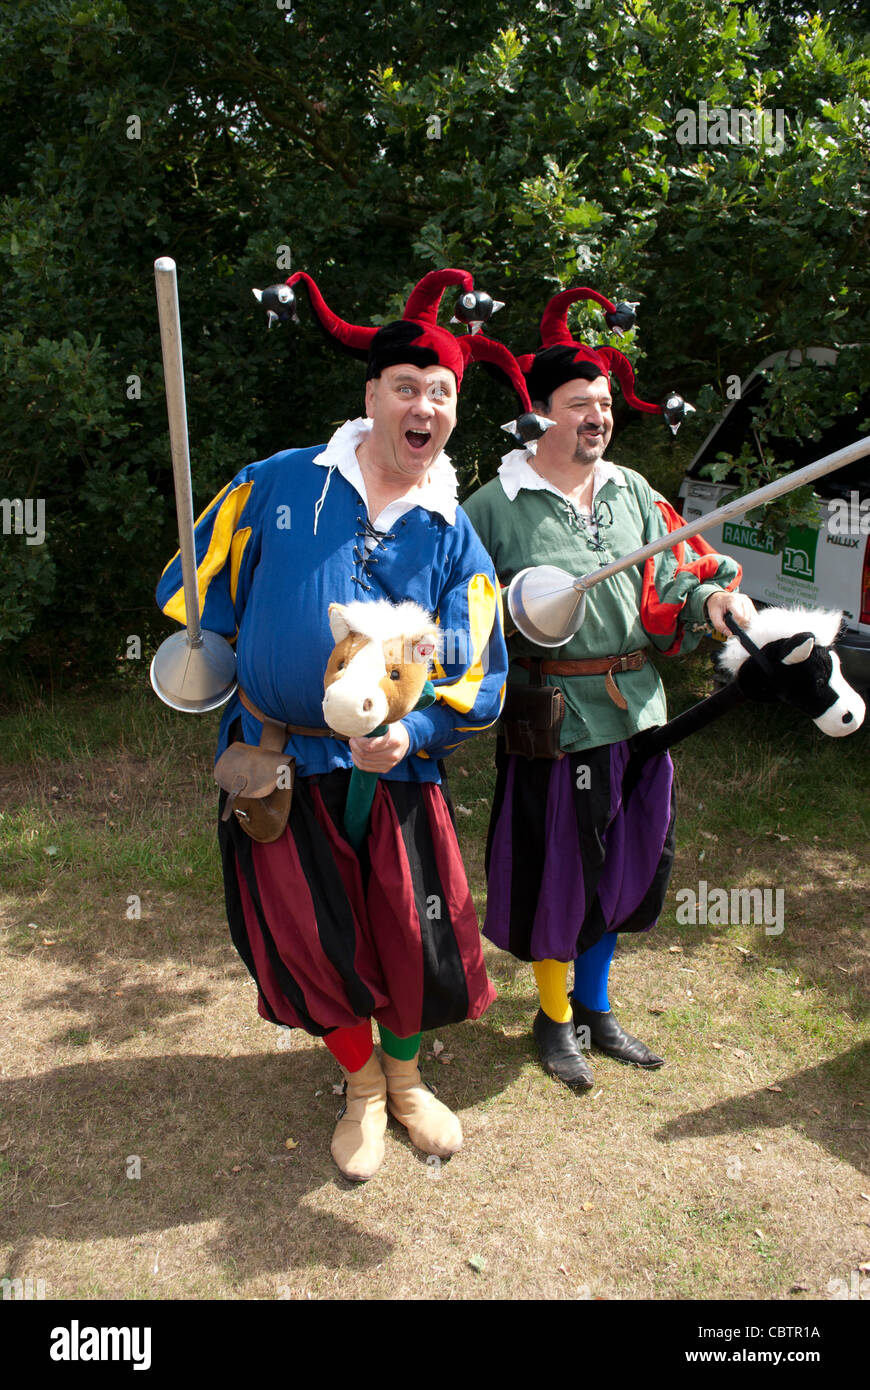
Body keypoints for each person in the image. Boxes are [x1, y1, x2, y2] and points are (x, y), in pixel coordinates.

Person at [156, 269, 510, 1179]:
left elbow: (478, 671)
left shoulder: (452, 533)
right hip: (274, 764)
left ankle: (406, 1079)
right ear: (372, 397)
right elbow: (191, 590)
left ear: (453, 412)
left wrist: (417, 733)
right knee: (313, 944)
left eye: (441, 393)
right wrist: (210, 636)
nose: (423, 404)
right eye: (406, 388)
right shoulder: (277, 484)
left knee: (410, 934)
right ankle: (358, 1088)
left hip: (392, 769)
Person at [463, 287, 755, 1090]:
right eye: (578, 405)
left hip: (642, 713)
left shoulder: (632, 492)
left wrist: (718, 603)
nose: (597, 417)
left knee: (626, 867)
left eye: (603, 404)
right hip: (554, 720)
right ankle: (553, 1020)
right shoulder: (493, 507)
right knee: (563, 878)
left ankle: (595, 1005)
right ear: (538, 414)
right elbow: (461, 611)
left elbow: (676, 583)